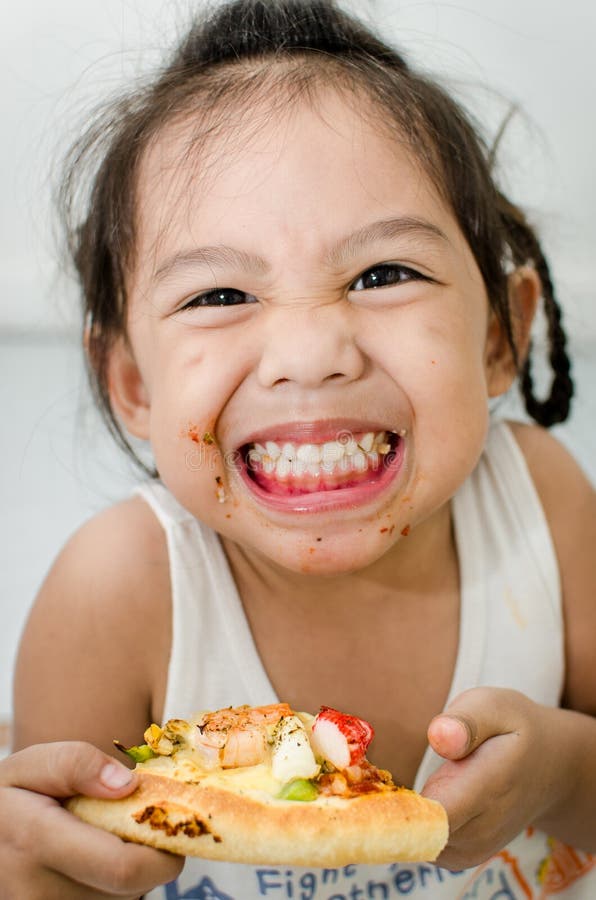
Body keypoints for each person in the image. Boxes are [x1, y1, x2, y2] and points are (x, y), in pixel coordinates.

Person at [2, 0, 595, 897]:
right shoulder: (116, 596)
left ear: (498, 339)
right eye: (220, 294)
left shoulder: (544, 504)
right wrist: (25, 862)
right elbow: (60, 865)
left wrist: (567, 773)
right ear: (134, 385)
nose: (311, 357)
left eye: (383, 274)